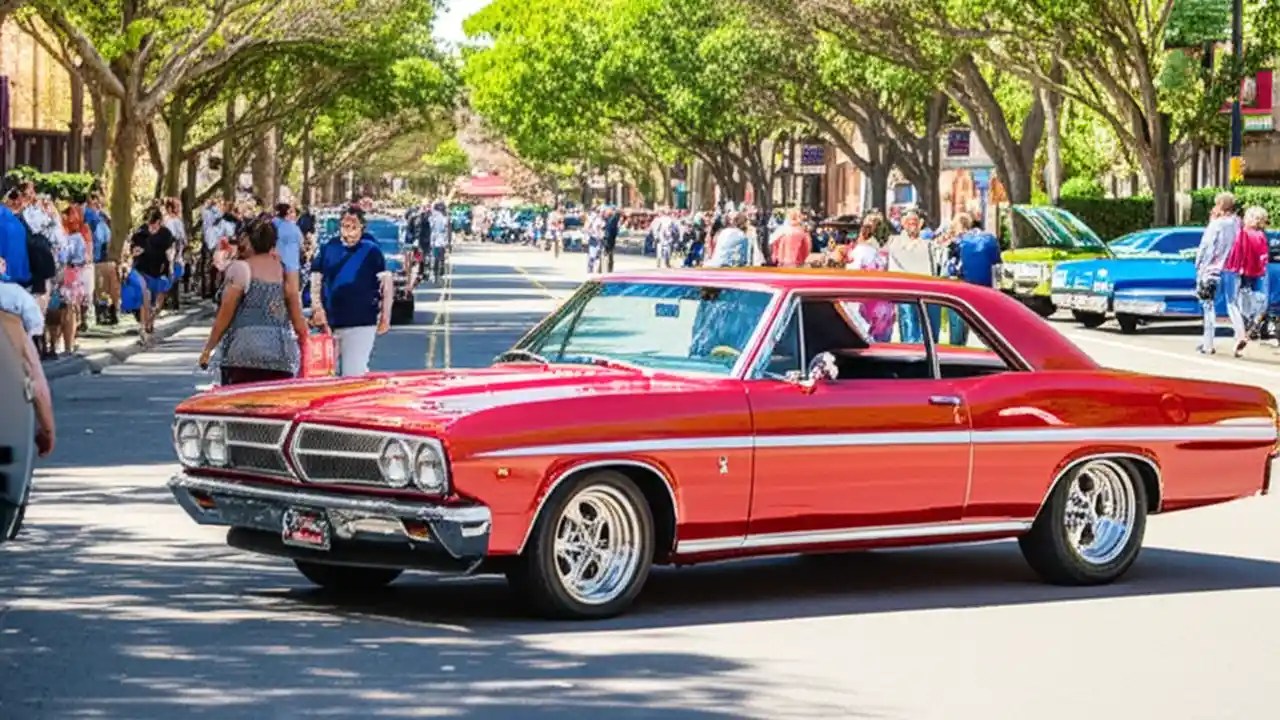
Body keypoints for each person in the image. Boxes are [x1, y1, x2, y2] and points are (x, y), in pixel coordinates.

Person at [199, 215, 308, 385]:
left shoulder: (240, 268)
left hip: (243, 352)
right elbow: (298, 320)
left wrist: (209, 348)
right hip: (280, 355)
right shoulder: (285, 271)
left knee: (239, 407)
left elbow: (225, 314)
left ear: (248, 241)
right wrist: (305, 345)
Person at [309, 207, 392, 376]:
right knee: (326, 374)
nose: (349, 231)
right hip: (330, 322)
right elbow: (316, 281)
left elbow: (386, 285)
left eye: (354, 226)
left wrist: (385, 315)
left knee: (353, 372)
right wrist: (317, 309)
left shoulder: (372, 250)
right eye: (345, 226)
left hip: (362, 321)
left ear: (362, 227)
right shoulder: (328, 248)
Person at [1194, 192, 1239, 355]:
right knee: (1233, 304)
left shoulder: (1217, 225)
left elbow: (1207, 247)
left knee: (1208, 306)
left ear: (1220, 205)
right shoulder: (1237, 224)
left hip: (1212, 269)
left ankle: (1208, 344)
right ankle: (1240, 337)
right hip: (1232, 269)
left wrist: (1199, 265)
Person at [1223, 205, 1270, 358]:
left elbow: (1239, 252)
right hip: (1254, 274)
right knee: (1246, 304)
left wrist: (1235, 268)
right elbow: (1263, 258)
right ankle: (1241, 337)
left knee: (1233, 304)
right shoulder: (1262, 237)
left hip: (1238, 271)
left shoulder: (1244, 234)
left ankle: (1240, 335)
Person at [884, 209, 936, 341]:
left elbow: (932, 267)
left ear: (921, 224)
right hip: (905, 291)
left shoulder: (927, 244)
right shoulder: (895, 242)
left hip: (924, 291)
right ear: (902, 223)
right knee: (908, 325)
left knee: (924, 327)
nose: (912, 225)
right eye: (908, 222)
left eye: (915, 222)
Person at [128, 208, 177, 342]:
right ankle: (144, 327)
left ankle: (151, 319)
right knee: (146, 297)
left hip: (160, 270)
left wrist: (171, 260)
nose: (151, 228)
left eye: (154, 225)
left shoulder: (166, 234)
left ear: (159, 222)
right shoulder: (140, 233)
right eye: (149, 225)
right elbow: (132, 248)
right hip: (143, 269)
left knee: (158, 300)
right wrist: (135, 251)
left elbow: (171, 249)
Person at [272, 202, 303, 295]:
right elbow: (300, 242)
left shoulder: (272, 225)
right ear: (287, 213)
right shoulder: (294, 228)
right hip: (293, 264)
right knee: (292, 295)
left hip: (275, 263)